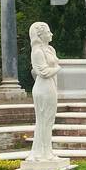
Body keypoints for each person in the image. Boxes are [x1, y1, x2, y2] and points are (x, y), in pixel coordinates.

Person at [27, 21, 63, 162]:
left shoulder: (50, 49)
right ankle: (42, 153)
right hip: (43, 88)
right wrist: (58, 68)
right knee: (43, 121)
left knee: (49, 121)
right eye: (48, 32)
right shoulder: (37, 52)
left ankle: (48, 151)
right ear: (40, 35)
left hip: (51, 86)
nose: (51, 34)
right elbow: (43, 72)